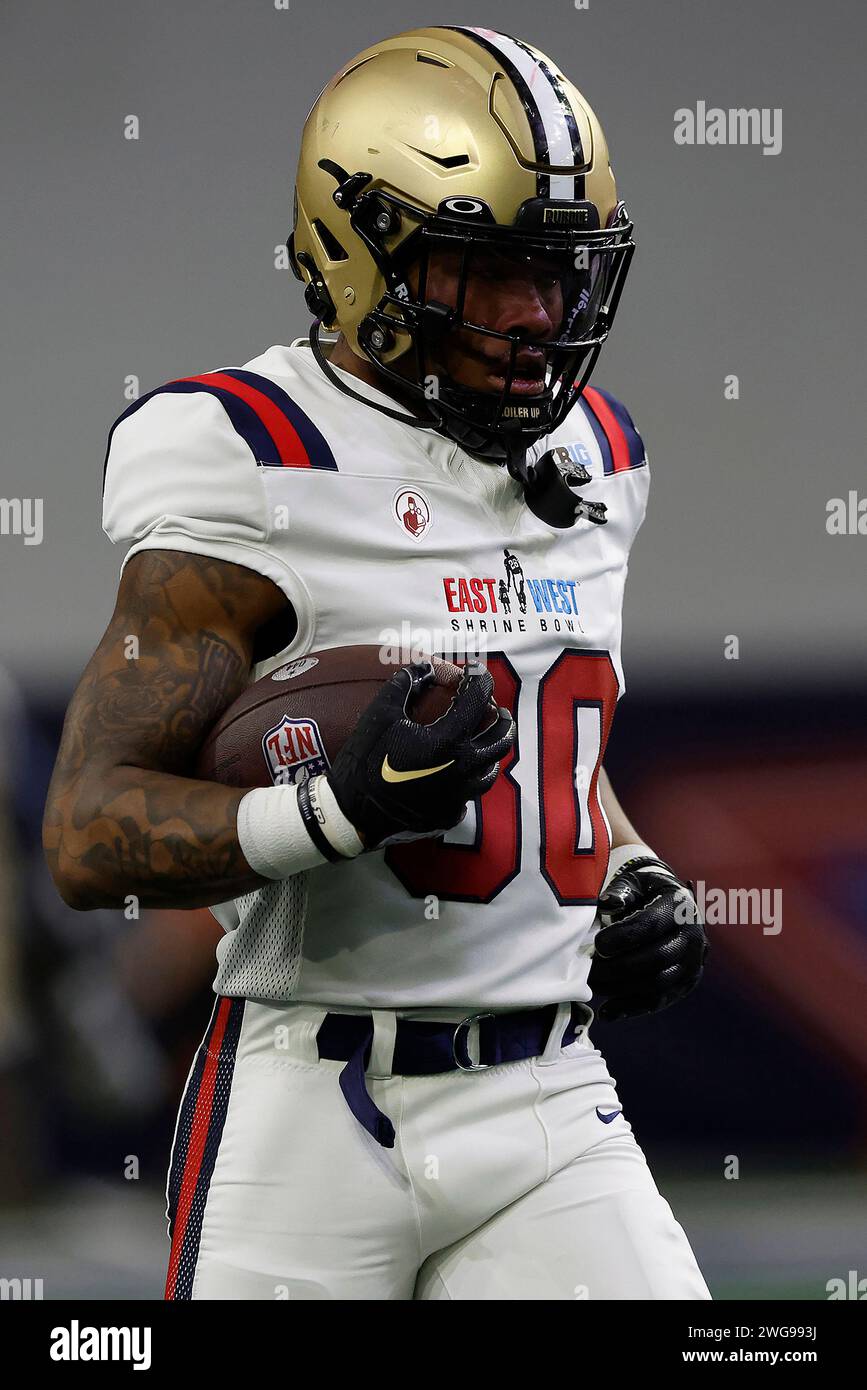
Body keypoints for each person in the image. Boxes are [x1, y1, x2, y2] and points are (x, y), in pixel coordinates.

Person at [43, 25, 709, 1299]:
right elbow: (88, 833)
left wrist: (634, 875)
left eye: (561, 273)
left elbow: (547, 754)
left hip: (549, 1096)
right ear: (362, 255)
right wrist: (334, 808)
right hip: (313, 1103)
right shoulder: (253, 452)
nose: (537, 315)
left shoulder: (598, 457)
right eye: (486, 269)